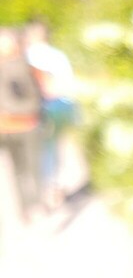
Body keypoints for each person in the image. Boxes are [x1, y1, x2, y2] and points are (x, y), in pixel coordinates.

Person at [24, 18, 77, 207]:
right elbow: (69, 84)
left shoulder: (27, 57)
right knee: (57, 147)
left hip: (41, 110)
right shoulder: (58, 55)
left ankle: (48, 189)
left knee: (44, 151)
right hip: (62, 106)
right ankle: (57, 186)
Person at [0, 26, 43, 222]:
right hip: (6, 129)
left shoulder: (24, 67)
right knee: (17, 171)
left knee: (32, 169)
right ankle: (25, 209)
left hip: (26, 125)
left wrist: (11, 109)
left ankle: (36, 205)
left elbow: (35, 100)